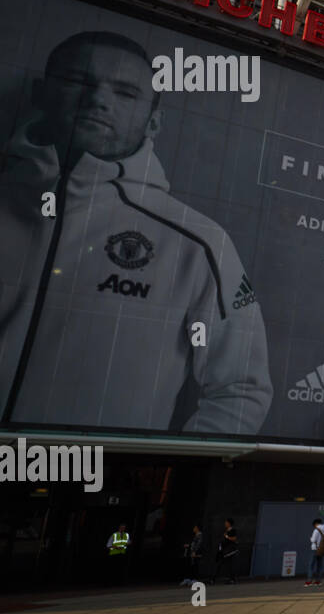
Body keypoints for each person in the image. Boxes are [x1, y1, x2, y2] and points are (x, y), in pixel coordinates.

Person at [0, 30, 272, 432]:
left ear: (154, 120)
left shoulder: (197, 242)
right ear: (41, 93)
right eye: (78, 82)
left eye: (125, 93)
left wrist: (161, 472)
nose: (98, 101)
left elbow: (242, 386)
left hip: (92, 491)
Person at [213, 518, 239, 585]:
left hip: (230, 551)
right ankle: (213, 578)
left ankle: (232, 579)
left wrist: (227, 537)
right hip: (224, 551)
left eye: (226, 522)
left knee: (229, 565)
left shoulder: (233, 530)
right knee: (222, 564)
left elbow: (234, 538)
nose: (225, 524)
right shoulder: (226, 531)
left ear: (229, 523)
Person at [306, 517, 324, 586]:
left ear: (316, 524)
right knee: (320, 565)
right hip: (322, 549)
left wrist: (310, 538)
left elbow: (313, 540)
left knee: (311, 565)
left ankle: (309, 581)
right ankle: (318, 581)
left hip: (315, 549)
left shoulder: (316, 530)